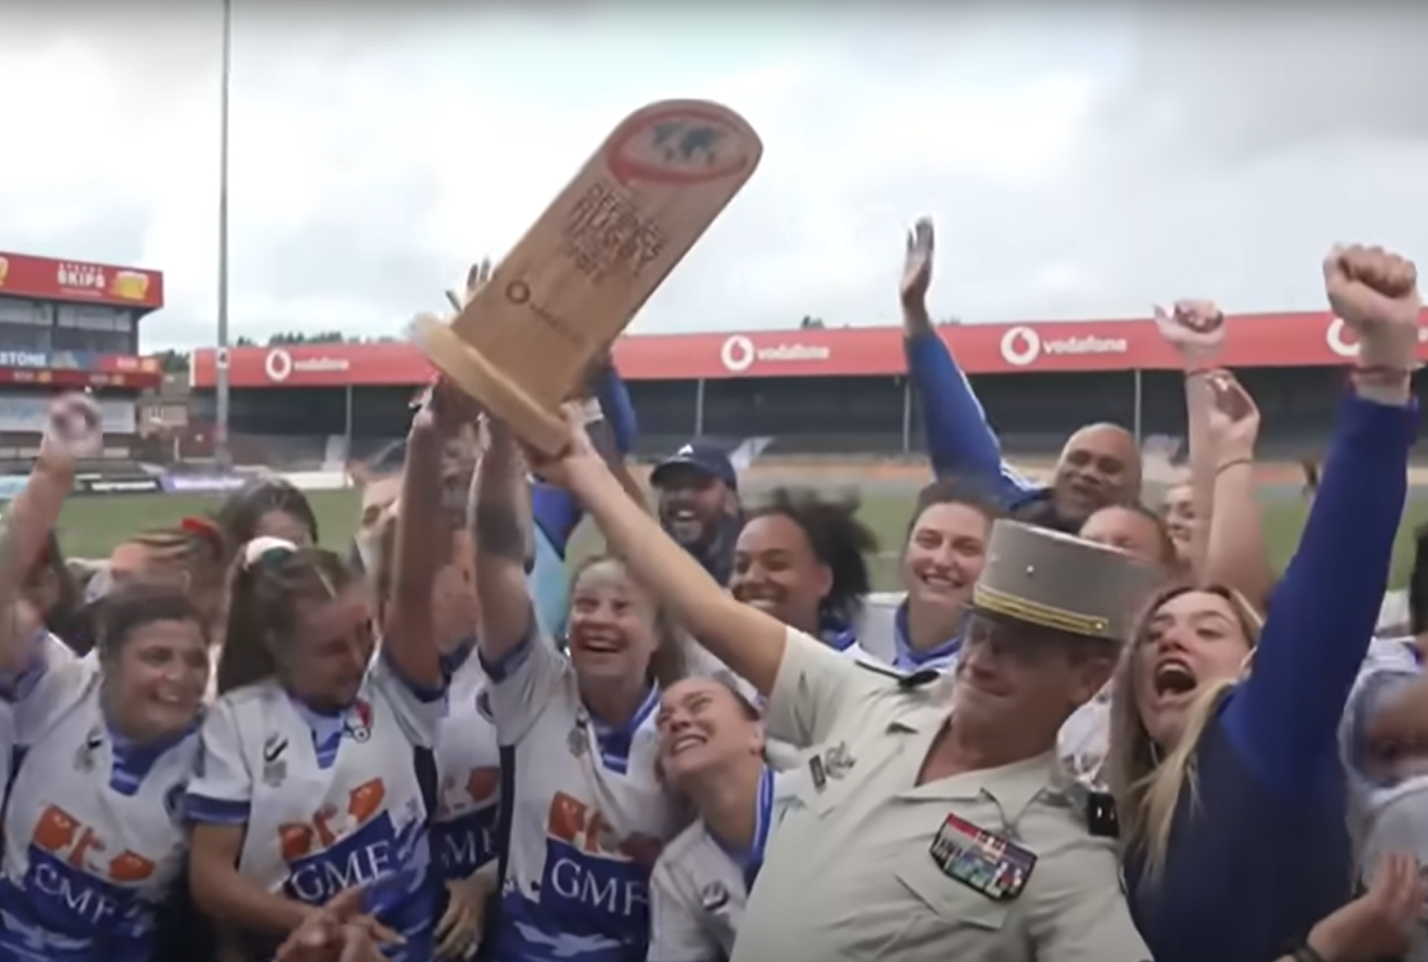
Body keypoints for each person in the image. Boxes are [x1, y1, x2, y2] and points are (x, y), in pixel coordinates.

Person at [535, 408, 1160, 962]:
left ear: (1088, 676)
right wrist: (585, 471)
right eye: (983, 631)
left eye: (1022, 649)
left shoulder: (1062, 856)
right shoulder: (869, 697)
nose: (985, 658)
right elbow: (708, 610)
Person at [1104, 244, 1421, 962]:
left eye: (1206, 628)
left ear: (1256, 661)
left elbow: (1332, 578)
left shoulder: (1252, 742)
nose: (1170, 642)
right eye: (1154, 635)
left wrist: (1384, 366)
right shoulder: (1120, 818)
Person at [186, 388, 456, 962]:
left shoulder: (395, 687)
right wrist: (314, 922)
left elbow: (413, 580)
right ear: (277, 646)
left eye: (364, 633)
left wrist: (429, 438)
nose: (359, 658)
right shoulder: (237, 721)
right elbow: (209, 878)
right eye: (332, 649)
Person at [471, 418, 684, 962]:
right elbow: (495, 553)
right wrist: (498, 442)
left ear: (659, 633)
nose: (599, 620)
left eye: (621, 607)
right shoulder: (535, 690)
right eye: (585, 604)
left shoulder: (687, 727)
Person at [899, 217, 1142, 532]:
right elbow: (962, 440)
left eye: (1109, 468)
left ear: (1135, 491)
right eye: (1078, 460)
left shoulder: (1147, 549)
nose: (1088, 473)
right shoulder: (1020, 509)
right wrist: (914, 310)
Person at [646, 676, 785, 962]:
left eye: (698, 705)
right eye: (663, 721)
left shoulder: (826, 803)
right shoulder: (676, 872)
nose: (677, 722)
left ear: (757, 732)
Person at [854, 480, 999, 672]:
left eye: (967, 548)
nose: (941, 560)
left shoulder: (997, 665)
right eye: (929, 541)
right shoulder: (856, 621)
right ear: (905, 550)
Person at [729, 488, 875, 655]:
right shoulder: (707, 664)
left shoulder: (855, 673)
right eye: (741, 565)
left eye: (776, 564)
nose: (752, 578)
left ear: (823, 580)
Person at [649, 443, 743, 585]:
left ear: (731, 500)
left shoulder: (748, 567)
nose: (683, 497)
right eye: (673, 487)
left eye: (700, 486)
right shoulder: (647, 563)